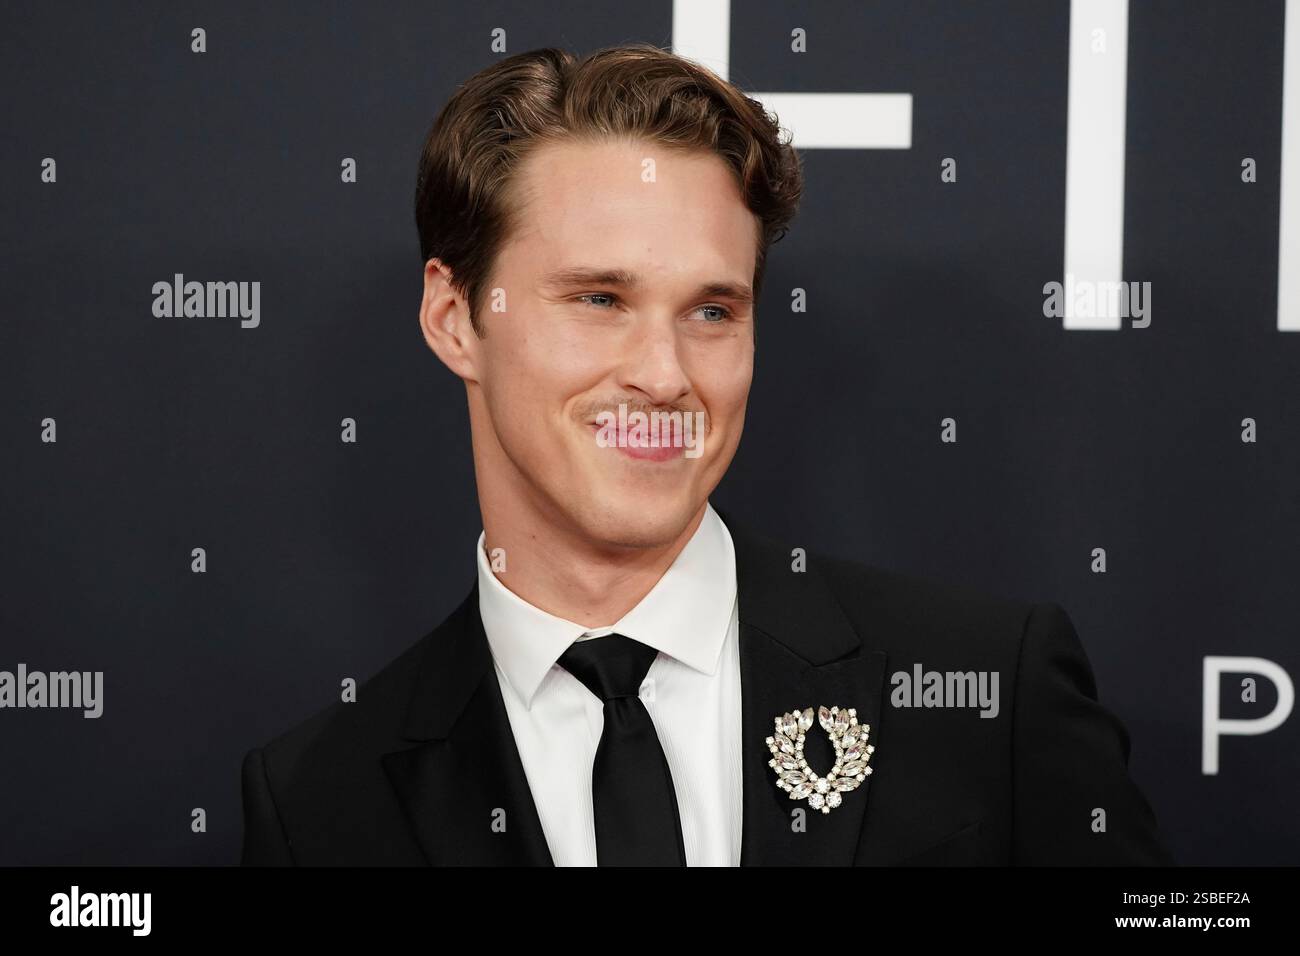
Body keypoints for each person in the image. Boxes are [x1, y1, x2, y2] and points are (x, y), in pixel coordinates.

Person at [240, 43, 1171, 866]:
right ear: (455, 319)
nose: (665, 374)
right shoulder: (321, 802)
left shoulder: (987, 697)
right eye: (599, 299)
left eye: (712, 311)